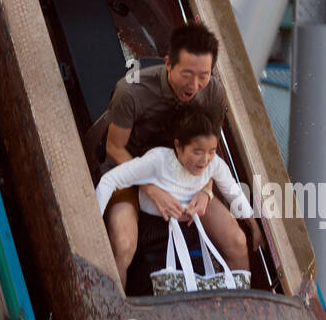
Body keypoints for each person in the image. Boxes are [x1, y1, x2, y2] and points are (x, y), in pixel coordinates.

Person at [98, 23, 250, 284]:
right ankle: (119, 315)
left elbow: (209, 152)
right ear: (168, 63)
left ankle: (246, 311)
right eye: (187, 74)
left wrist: (206, 190)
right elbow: (114, 147)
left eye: (203, 75)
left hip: (188, 173)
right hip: (133, 174)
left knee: (237, 241)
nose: (195, 85)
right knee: (123, 245)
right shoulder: (131, 92)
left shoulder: (212, 92)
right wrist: (151, 187)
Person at [96, 108, 262, 284]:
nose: (205, 160)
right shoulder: (157, 160)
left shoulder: (214, 165)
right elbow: (110, 180)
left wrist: (254, 227)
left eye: (211, 151)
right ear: (178, 146)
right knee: (154, 287)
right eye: (197, 152)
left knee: (196, 287)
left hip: (190, 235)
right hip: (154, 236)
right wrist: (94, 221)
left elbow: (233, 192)